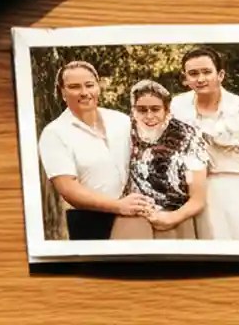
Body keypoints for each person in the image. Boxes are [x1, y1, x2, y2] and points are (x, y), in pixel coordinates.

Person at [38, 60, 153, 239]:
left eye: (89, 85)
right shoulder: (54, 133)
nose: (84, 93)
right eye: (74, 87)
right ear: (62, 92)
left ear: (98, 87)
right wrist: (118, 206)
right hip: (88, 220)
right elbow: (69, 189)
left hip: (132, 212)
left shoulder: (121, 120)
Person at [170, 46, 239, 240]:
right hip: (195, 190)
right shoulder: (177, 107)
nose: (200, 79)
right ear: (185, 78)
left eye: (207, 72)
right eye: (193, 74)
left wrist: (236, 182)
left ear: (221, 74)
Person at [110, 80, 208, 239]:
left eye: (155, 109)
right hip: (133, 214)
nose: (149, 116)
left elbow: (198, 199)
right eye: (142, 110)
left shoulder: (187, 136)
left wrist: (172, 218)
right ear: (133, 110)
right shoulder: (123, 132)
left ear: (167, 110)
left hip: (176, 215)